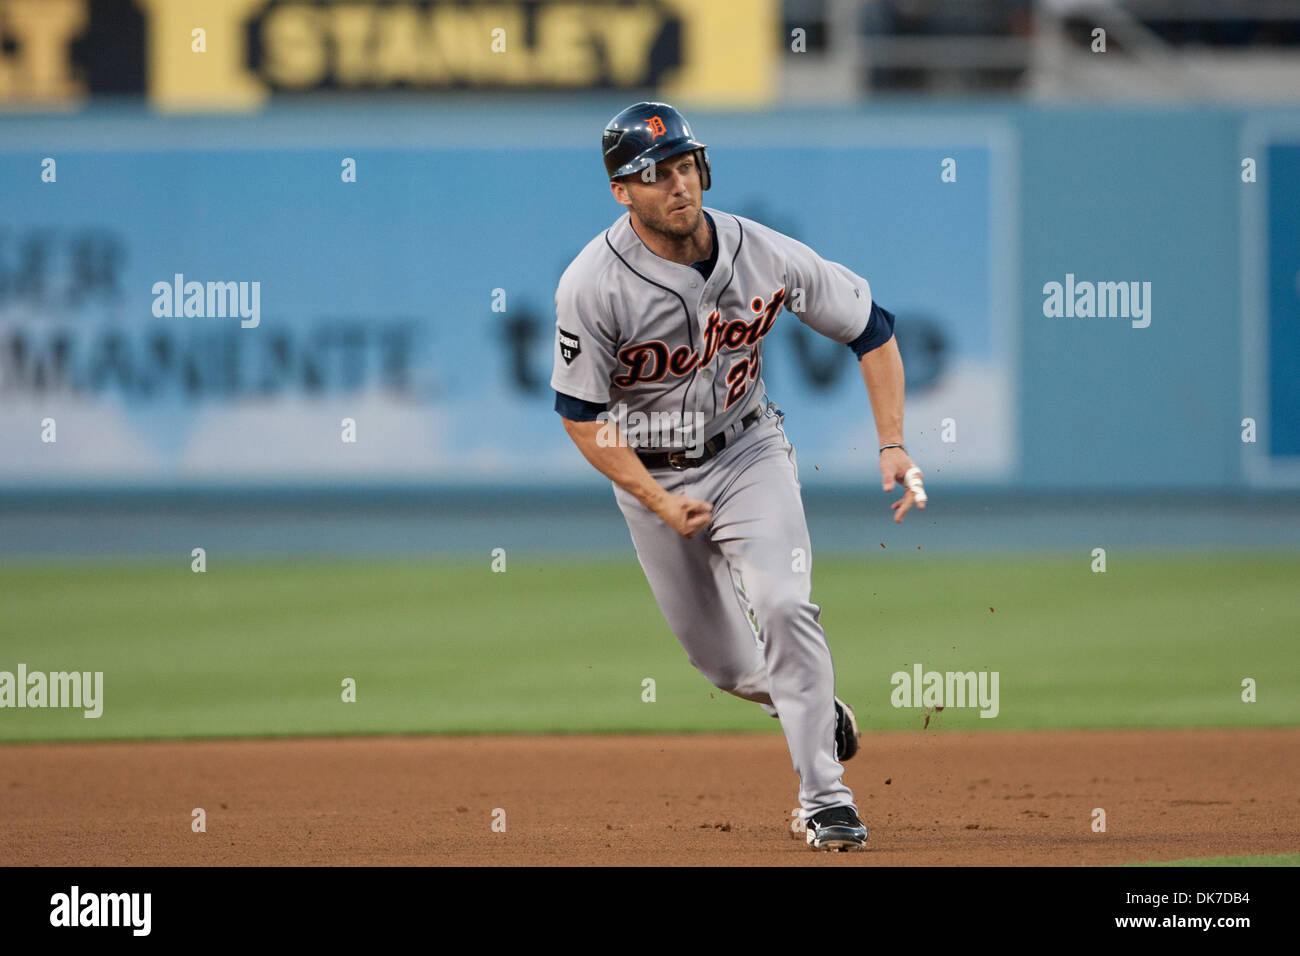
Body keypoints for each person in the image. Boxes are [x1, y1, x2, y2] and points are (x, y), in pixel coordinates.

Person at [551, 102, 926, 851]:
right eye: (652, 175)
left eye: (684, 166)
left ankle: (825, 799)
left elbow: (872, 328)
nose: (676, 185)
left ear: (704, 168)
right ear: (622, 193)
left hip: (749, 450)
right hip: (652, 478)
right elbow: (584, 416)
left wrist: (893, 444)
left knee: (785, 605)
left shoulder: (763, 252)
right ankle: (809, 707)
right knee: (724, 665)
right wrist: (657, 498)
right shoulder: (592, 285)